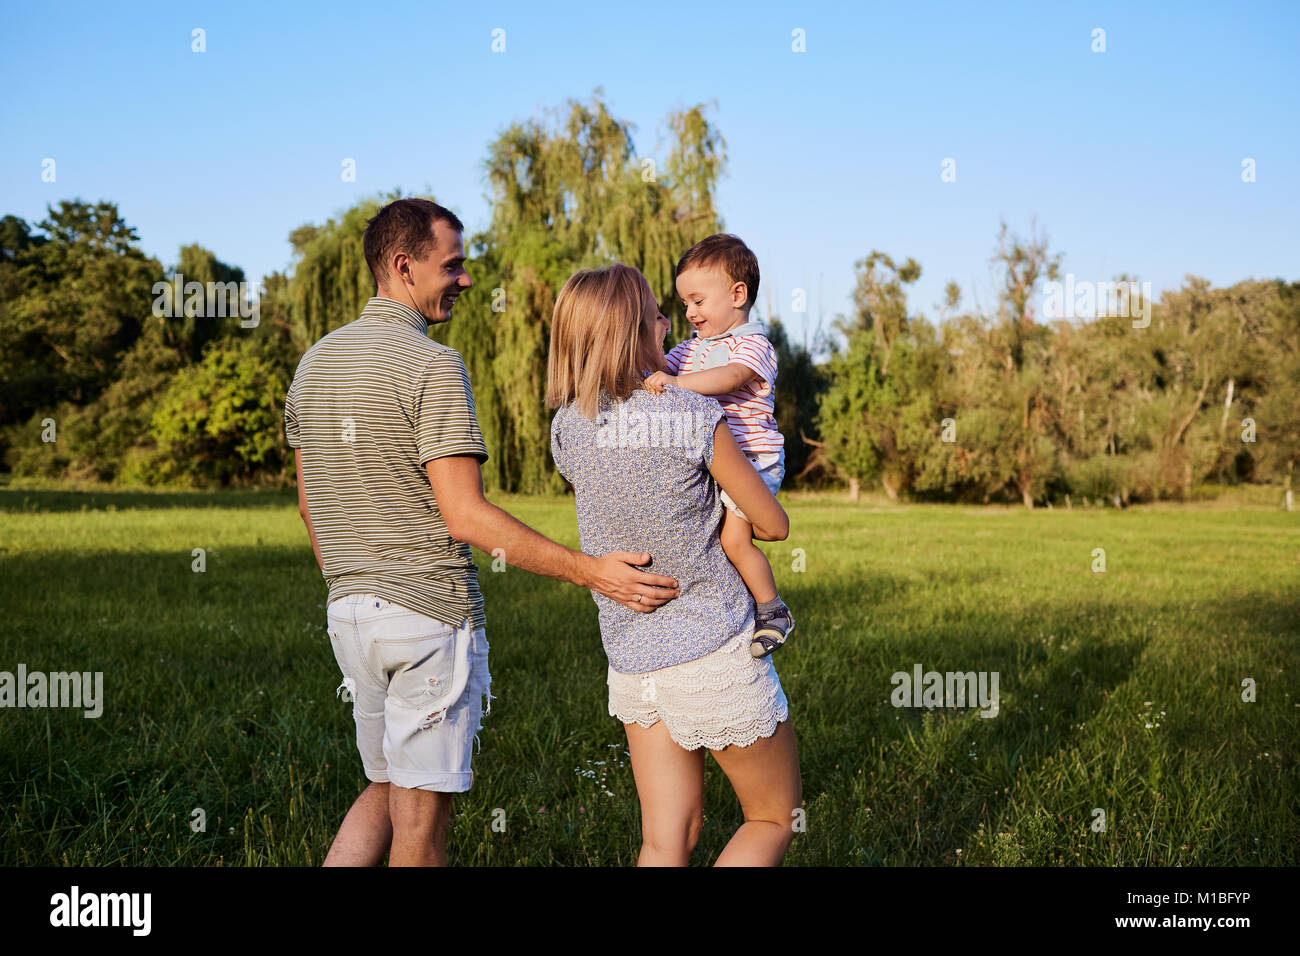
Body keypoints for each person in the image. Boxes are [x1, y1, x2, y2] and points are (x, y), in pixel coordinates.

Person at [284, 198, 680, 867]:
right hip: (426, 621)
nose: (467, 280)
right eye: (454, 265)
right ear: (404, 266)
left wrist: (353, 587)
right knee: (421, 830)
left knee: (384, 784)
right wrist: (594, 571)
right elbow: (465, 516)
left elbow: (307, 507)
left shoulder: (314, 364)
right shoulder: (432, 365)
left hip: (349, 616)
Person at [548, 263, 803, 866]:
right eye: (656, 312)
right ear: (634, 327)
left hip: (634, 661)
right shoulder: (689, 413)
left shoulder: (566, 426)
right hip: (712, 647)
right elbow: (771, 525)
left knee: (665, 841)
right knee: (771, 816)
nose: (670, 320)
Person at [644, 234, 794, 657]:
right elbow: (652, 371)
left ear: (737, 294)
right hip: (714, 461)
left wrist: (675, 383)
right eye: (685, 304)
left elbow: (728, 379)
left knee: (733, 542)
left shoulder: (753, 345)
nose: (689, 313)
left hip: (753, 459)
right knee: (712, 537)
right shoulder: (691, 350)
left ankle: (772, 610)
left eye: (697, 301)